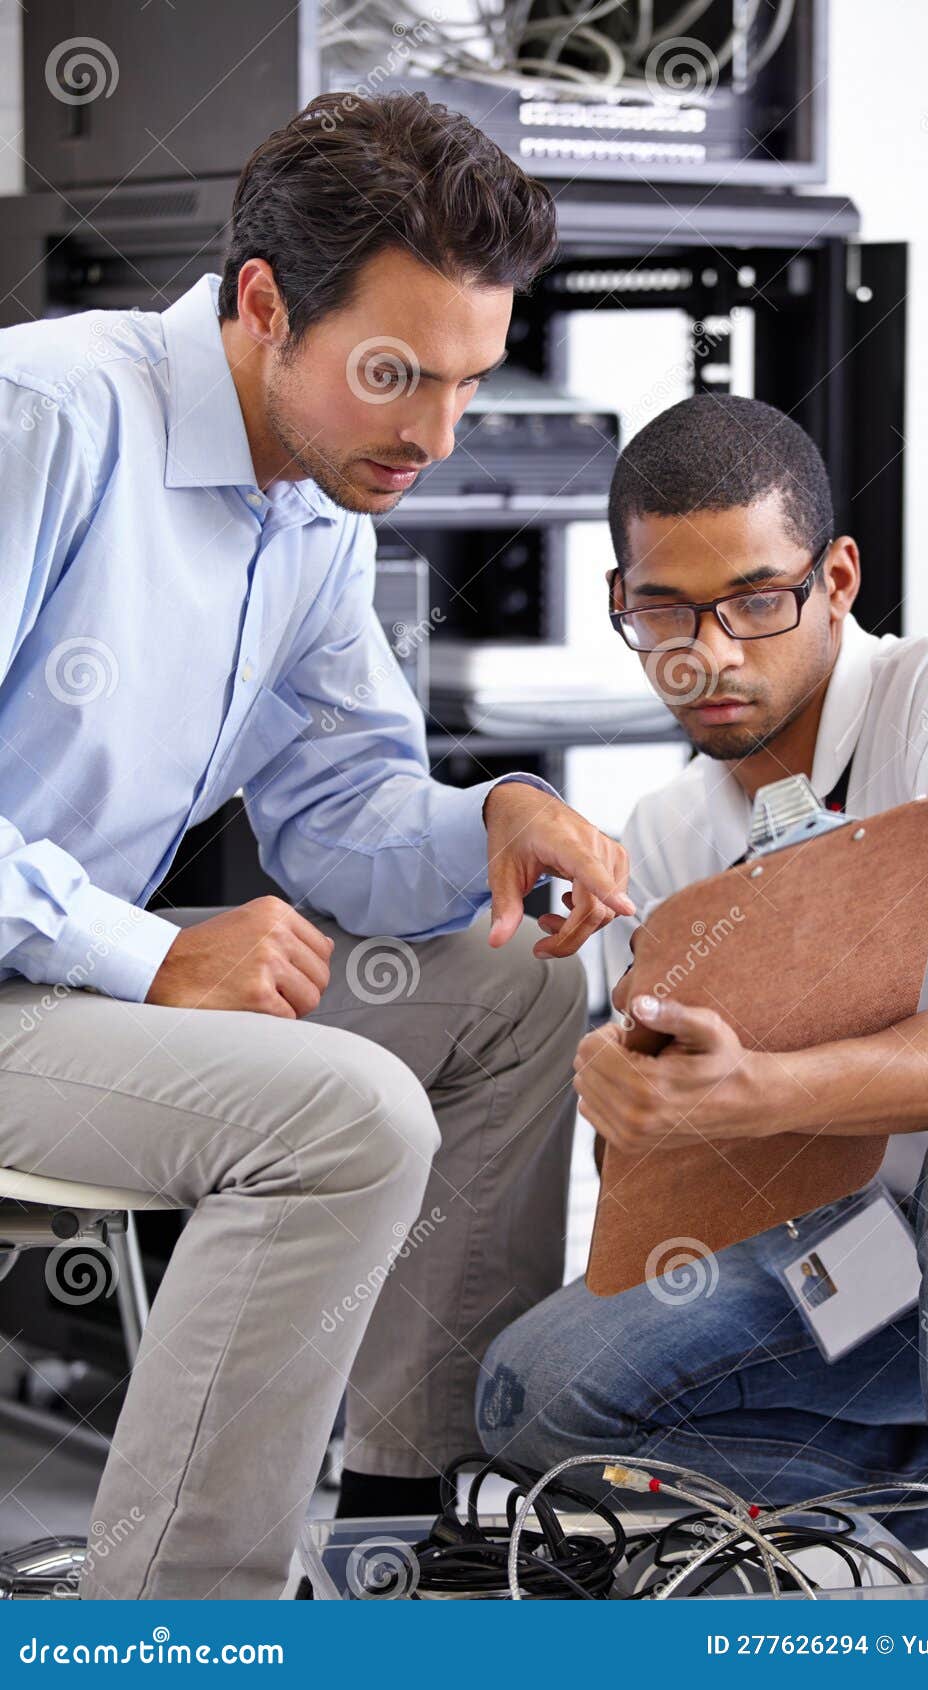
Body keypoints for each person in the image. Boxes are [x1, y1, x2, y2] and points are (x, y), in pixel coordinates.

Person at [0, 91, 634, 1599]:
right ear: (265, 305)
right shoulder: (47, 414)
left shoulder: (317, 507)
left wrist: (496, 816)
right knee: (348, 1118)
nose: (433, 433)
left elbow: (342, 819)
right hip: (41, 981)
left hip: (61, 993)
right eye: (396, 374)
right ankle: (177, 1622)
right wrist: (148, 953)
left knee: (522, 992)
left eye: (469, 382)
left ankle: (414, 1521)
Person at [478, 394, 928, 1598]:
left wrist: (762, 1089)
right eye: (661, 610)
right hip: (870, 1256)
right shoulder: (666, 833)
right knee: (533, 1396)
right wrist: (633, 1107)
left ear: (838, 579)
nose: (710, 652)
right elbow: (686, 1201)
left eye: (756, 601)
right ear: (618, 603)